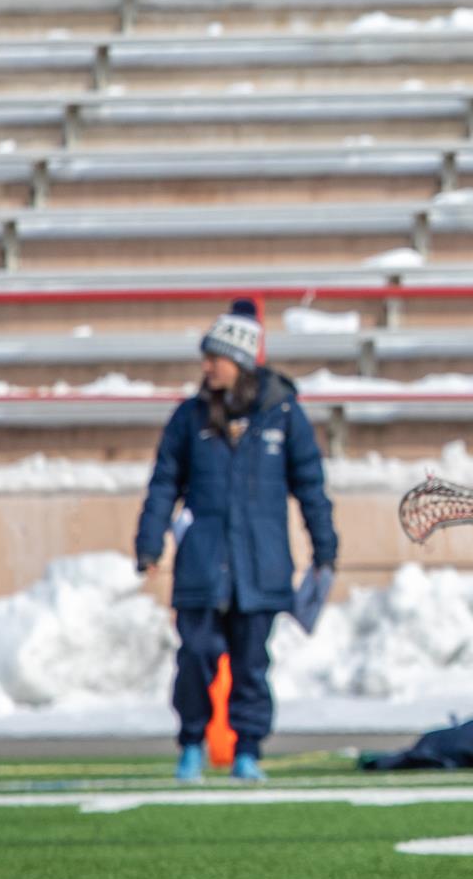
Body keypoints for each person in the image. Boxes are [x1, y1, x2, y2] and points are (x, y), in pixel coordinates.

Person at [134, 300, 338, 786]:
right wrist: (149, 541)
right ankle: (191, 743)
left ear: (241, 361)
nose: (207, 367)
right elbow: (165, 482)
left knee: (252, 664)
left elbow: (309, 484)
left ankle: (248, 750)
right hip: (203, 564)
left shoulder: (283, 415)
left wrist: (325, 547)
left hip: (261, 563)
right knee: (196, 656)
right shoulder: (189, 418)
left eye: (215, 358)